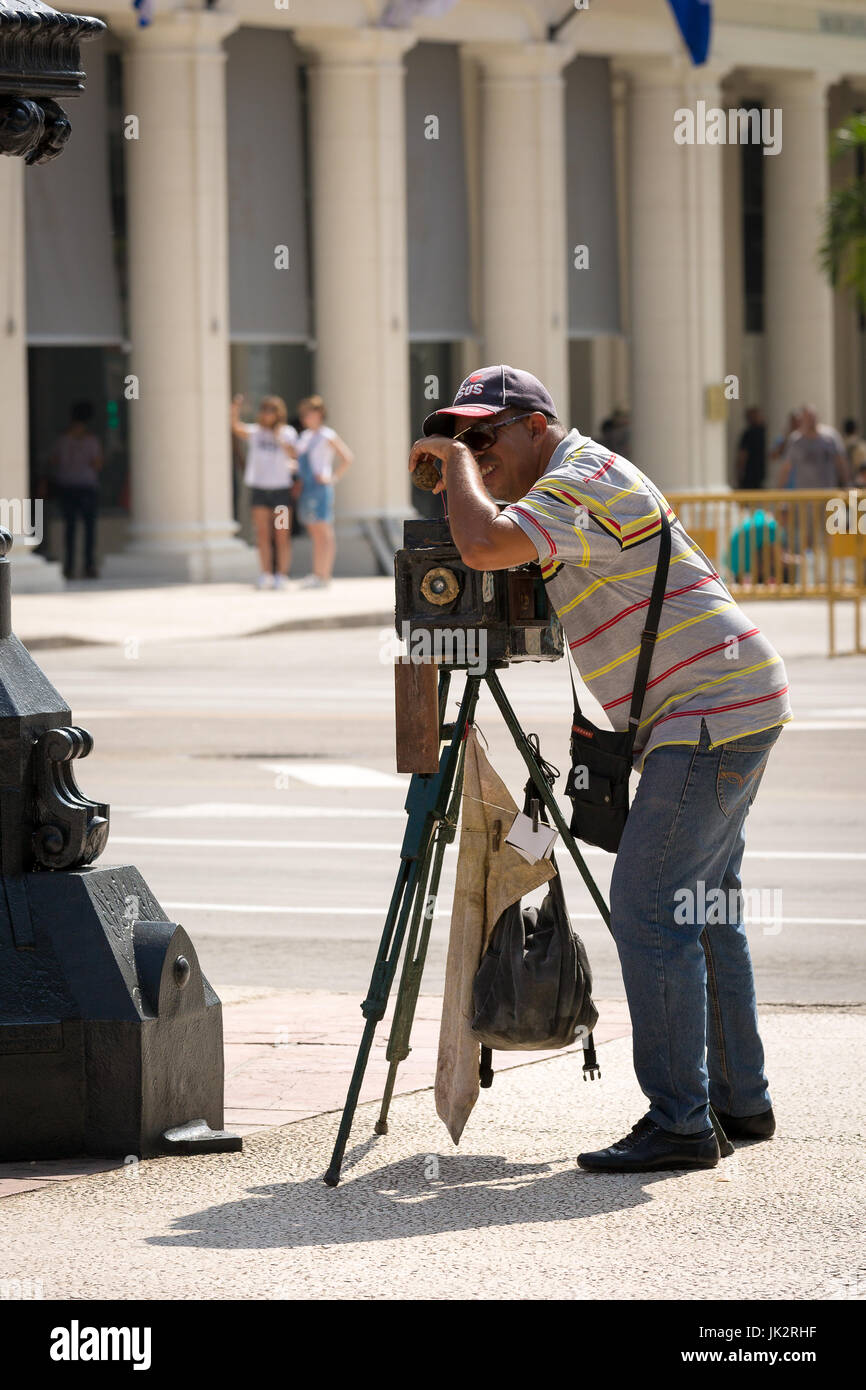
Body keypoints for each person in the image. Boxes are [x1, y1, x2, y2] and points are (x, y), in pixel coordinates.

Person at [411, 364, 792, 1174]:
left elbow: (480, 547)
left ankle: (680, 1123)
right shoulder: (578, 480)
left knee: (651, 908)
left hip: (706, 712)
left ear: (535, 427)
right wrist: (466, 471)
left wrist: (451, 468)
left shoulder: (576, 482)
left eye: (484, 435)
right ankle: (740, 1100)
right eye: (462, 436)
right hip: (730, 698)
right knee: (704, 903)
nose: (474, 450)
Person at [231, 394, 297, 589]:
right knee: (262, 534)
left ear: (279, 413)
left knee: (281, 534)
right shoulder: (256, 432)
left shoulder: (287, 432)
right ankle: (266, 574)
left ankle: (282, 575)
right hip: (260, 489)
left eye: (272, 410)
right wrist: (234, 408)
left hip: (280, 491)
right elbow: (236, 427)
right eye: (265, 409)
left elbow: (294, 454)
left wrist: (279, 437)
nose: (268, 414)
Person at [294, 395, 353, 588]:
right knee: (314, 531)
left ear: (319, 414)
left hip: (320, 487)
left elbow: (347, 457)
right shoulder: (304, 437)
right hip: (307, 487)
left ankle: (324, 575)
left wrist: (332, 478)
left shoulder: (327, 434)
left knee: (323, 531)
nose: (305, 417)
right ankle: (317, 573)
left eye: (309, 413)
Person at [49, 401, 104, 580]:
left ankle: (71, 567)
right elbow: (97, 464)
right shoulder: (90, 440)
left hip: (71, 486)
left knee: (72, 529)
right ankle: (86, 566)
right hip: (83, 486)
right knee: (86, 530)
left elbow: (54, 461)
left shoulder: (63, 439)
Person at [777, 405, 848, 489]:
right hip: (805, 494)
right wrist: (779, 489)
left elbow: (840, 461)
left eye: (812, 417)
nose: (811, 420)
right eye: (807, 418)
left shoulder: (830, 437)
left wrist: (847, 483)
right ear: (802, 420)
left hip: (828, 492)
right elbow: (786, 467)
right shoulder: (795, 440)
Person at [735, 406, 766, 489]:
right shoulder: (748, 434)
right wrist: (739, 475)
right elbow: (742, 456)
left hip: (759, 477)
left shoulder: (762, 432)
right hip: (749, 477)